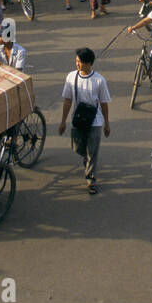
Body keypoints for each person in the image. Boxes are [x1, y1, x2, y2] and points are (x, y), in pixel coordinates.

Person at [58, 47, 110, 195]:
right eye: (76, 61)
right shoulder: (71, 77)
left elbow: (104, 103)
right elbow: (67, 100)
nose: (77, 64)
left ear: (89, 64)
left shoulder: (99, 80)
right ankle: (88, 163)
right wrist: (63, 121)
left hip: (95, 121)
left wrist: (107, 123)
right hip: (78, 120)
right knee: (79, 148)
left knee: (92, 151)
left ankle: (91, 179)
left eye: (80, 62)